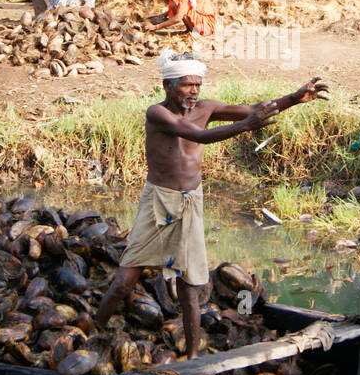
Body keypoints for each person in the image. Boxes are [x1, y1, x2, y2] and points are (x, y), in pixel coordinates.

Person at [94, 51, 328, 358]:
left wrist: (294, 98)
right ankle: (95, 331)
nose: (193, 91)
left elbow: (257, 109)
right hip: (159, 202)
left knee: (189, 289)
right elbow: (200, 136)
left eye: (197, 85)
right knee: (124, 282)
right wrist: (246, 126)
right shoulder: (158, 114)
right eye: (186, 85)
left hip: (190, 202)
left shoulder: (206, 107)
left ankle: (191, 357)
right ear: (167, 85)